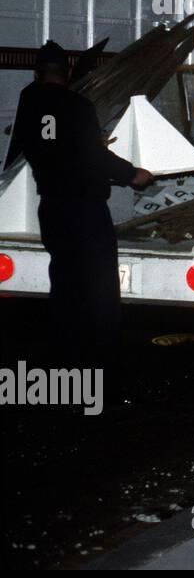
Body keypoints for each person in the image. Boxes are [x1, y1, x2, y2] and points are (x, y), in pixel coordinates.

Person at [8, 40, 153, 401]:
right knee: (100, 283)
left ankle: (64, 355)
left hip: (52, 207)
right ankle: (104, 363)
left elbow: (40, 140)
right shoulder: (79, 106)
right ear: (68, 72)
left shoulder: (29, 101)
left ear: (36, 74)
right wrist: (132, 173)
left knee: (65, 280)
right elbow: (93, 157)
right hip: (85, 208)